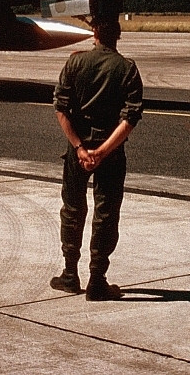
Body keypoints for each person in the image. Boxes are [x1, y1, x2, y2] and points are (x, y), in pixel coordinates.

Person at [49, 16, 144, 301]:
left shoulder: (74, 63)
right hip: (111, 153)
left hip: (78, 152)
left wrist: (80, 148)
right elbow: (130, 118)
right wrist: (103, 151)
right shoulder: (127, 69)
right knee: (106, 212)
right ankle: (97, 280)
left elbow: (60, 108)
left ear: (94, 33)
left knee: (72, 208)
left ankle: (69, 274)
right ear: (117, 35)